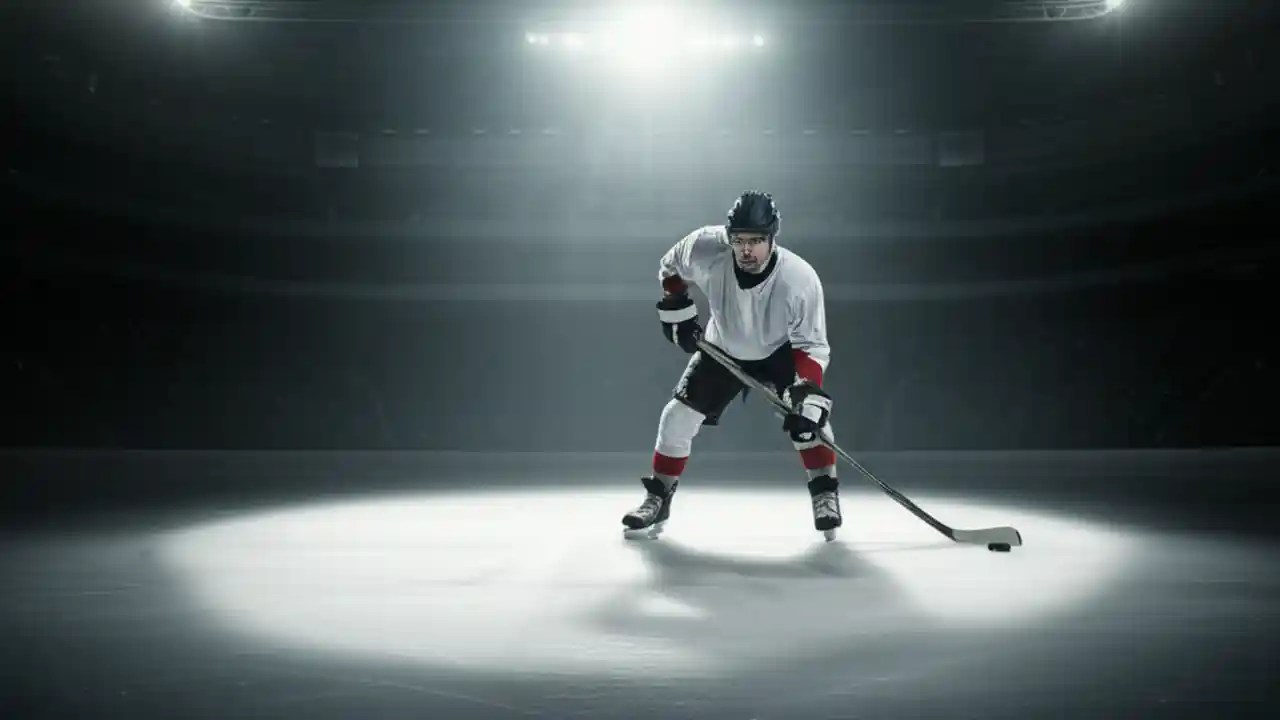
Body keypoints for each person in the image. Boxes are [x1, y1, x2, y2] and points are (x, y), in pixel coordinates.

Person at [622, 190, 841, 539]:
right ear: (728, 236)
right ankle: (658, 497)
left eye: (756, 241)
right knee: (675, 419)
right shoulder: (705, 248)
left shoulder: (799, 279)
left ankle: (825, 493)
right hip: (722, 348)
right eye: (739, 240)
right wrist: (677, 306)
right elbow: (671, 267)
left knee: (810, 424)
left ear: (772, 238)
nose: (746, 250)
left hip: (780, 353)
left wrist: (806, 394)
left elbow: (811, 345)